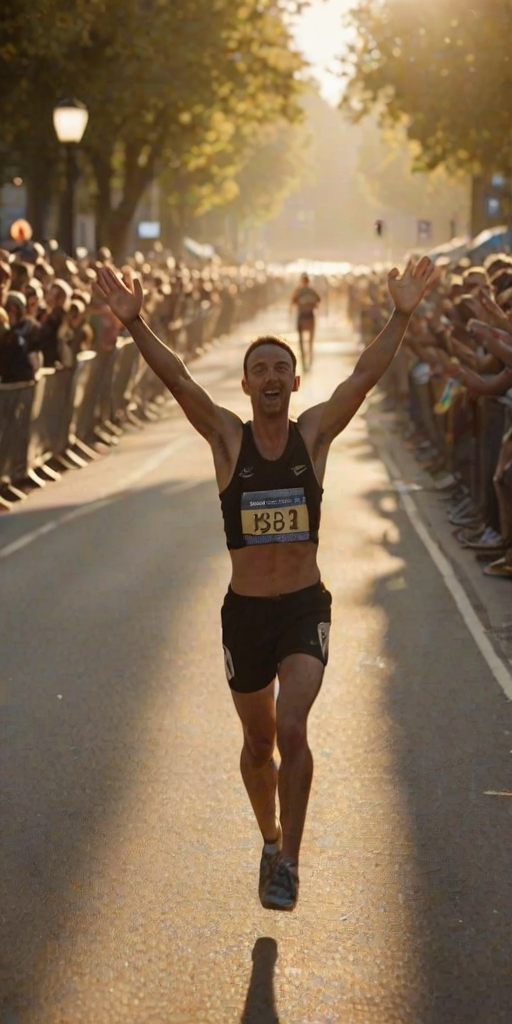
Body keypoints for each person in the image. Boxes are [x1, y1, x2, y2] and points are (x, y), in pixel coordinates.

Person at [95, 256, 435, 911]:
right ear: (248, 386)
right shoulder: (228, 440)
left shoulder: (313, 436)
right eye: (261, 369)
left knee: (292, 729)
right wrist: (136, 325)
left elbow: (363, 376)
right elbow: (180, 380)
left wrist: (401, 313)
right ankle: (269, 836)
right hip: (245, 615)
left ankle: (289, 863)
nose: (273, 376)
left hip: (304, 607)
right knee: (256, 746)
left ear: (296, 379)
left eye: (282, 367)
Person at [290, 273, 321, 372]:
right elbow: (318, 300)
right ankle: (308, 360)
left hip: (302, 317)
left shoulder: (298, 291)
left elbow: (293, 302)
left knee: (302, 342)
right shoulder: (311, 291)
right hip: (309, 317)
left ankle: (305, 361)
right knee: (310, 341)